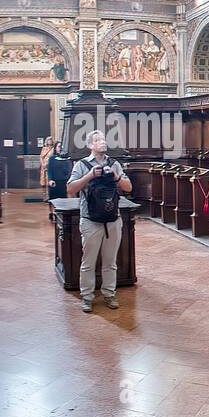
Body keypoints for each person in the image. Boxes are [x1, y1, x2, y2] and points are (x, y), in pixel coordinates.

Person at [66, 129, 134, 313]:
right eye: (98, 140)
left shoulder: (114, 164)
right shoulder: (81, 165)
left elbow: (128, 187)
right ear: (90, 145)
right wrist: (90, 176)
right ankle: (87, 297)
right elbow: (71, 189)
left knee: (110, 262)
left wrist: (116, 176)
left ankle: (109, 294)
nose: (102, 142)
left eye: (103, 139)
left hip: (113, 220)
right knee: (88, 262)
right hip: (90, 221)